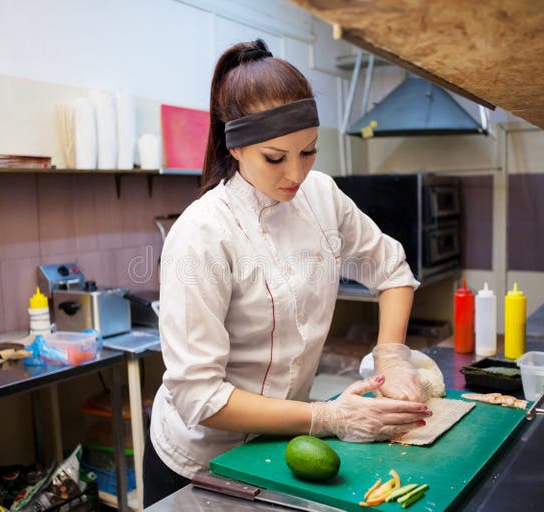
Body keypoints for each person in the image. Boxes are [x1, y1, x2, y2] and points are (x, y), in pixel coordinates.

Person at [144, 39, 433, 506]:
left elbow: (391, 268)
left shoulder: (320, 196)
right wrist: (327, 418)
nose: (295, 175)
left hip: (280, 448)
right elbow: (200, 398)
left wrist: (391, 355)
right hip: (199, 463)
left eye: (309, 152)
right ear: (235, 147)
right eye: (275, 158)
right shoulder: (202, 233)